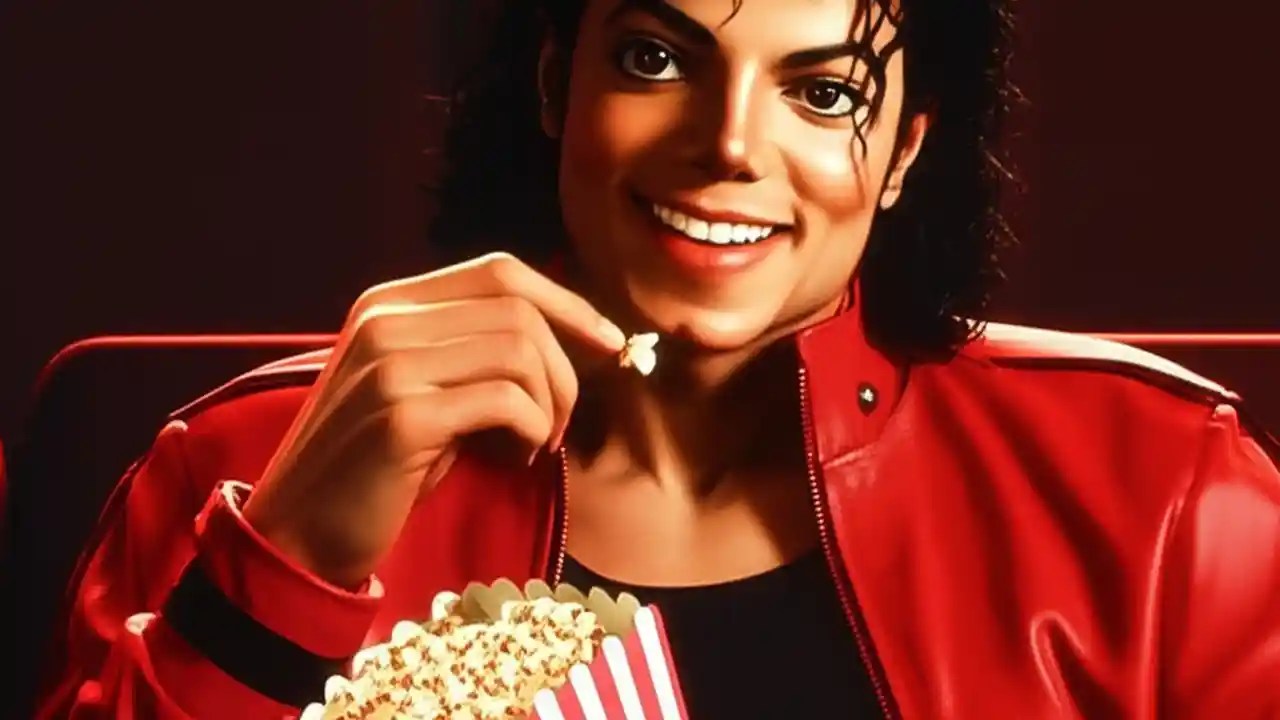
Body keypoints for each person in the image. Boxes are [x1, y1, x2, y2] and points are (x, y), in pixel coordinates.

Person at [35, 0, 1280, 717]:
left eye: (824, 92)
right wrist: (284, 568)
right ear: (554, 88)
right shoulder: (238, 467)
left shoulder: (1165, 494)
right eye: (656, 57)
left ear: (903, 152)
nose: (727, 144)